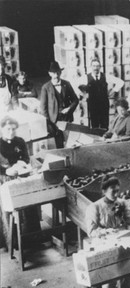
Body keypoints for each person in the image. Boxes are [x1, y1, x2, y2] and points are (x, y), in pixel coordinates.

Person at [0, 116, 40, 250]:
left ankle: (33, 238)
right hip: (4, 180)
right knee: (8, 211)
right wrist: (7, 171)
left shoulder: (20, 141)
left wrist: (22, 164)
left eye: (13, 129)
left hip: (22, 176)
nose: (11, 132)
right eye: (8, 129)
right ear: (2, 129)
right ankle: (12, 242)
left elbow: (26, 158)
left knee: (29, 205)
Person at [76, 58, 124, 129]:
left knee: (104, 124)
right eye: (94, 66)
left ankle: (104, 138)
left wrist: (114, 90)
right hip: (92, 104)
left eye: (97, 66)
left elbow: (121, 82)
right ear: (91, 67)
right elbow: (73, 85)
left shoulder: (106, 76)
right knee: (94, 125)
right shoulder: (86, 77)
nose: (96, 68)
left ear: (100, 67)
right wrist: (83, 94)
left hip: (104, 104)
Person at [39, 61, 79, 148]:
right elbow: (43, 108)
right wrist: (49, 123)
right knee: (59, 145)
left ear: (60, 72)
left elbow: (75, 100)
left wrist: (69, 109)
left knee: (70, 143)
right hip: (55, 121)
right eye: (53, 72)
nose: (56, 74)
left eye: (58, 72)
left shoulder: (66, 84)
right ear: (50, 74)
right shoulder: (46, 87)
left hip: (67, 118)